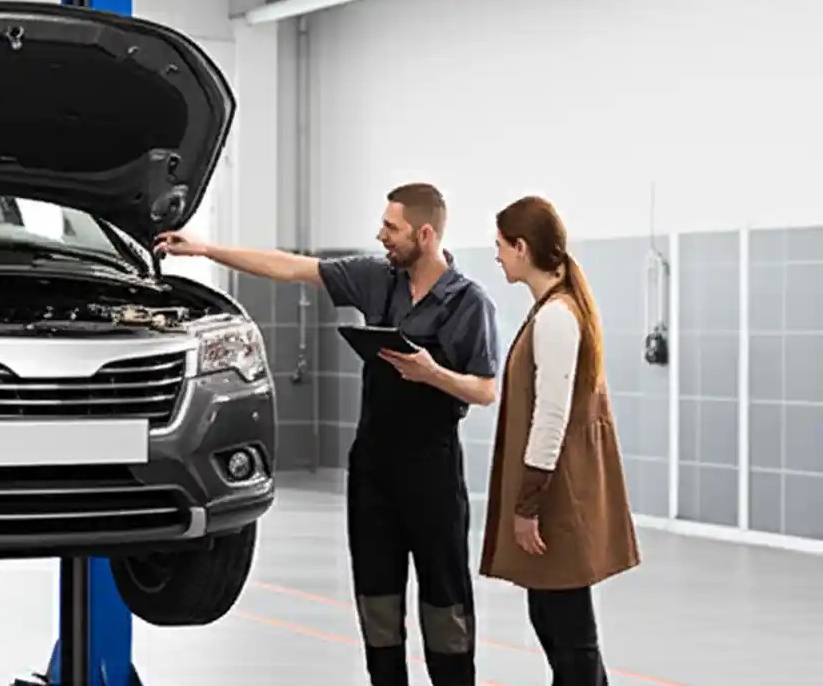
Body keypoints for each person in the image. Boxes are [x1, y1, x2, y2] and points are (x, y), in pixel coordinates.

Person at [155, 183, 500, 686]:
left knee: (444, 600)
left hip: (432, 471)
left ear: (425, 235)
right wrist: (207, 249)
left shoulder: (469, 303)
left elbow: (485, 390)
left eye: (391, 227)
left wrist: (433, 374)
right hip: (372, 469)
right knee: (377, 597)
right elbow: (290, 266)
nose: (380, 235)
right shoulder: (376, 279)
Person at [481, 195, 641, 685]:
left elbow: (551, 415)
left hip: (554, 497)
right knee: (554, 621)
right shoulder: (554, 309)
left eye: (501, 245)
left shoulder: (555, 317)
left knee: (570, 632)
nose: (498, 255)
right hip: (554, 491)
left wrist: (527, 505)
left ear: (522, 247)